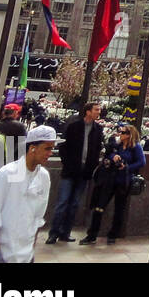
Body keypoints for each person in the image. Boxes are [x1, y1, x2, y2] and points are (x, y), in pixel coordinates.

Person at [0, 125, 57, 263]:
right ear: (32, 148)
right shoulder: (6, 173)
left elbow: (38, 217)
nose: (50, 153)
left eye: (52, 148)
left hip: (24, 253)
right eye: (47, 148)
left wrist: (31, 249)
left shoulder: (44, 177)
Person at [47, 102, 103, 244]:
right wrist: (68, 163)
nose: (98, 112)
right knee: (62, 202)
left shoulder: (98, 129)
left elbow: (97, 149)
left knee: (74, 204)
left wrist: (91, 166)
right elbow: (63, 147)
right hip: (70, 172)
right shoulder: (74, 127)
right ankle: (53, 233)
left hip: (84, 173)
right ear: (88, 112)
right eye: (96, 110)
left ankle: (65, 232)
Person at [80, 123, 145, 245]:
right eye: (120, 131)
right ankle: (92, 234)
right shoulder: (117, 144)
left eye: (124, 132)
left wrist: (126, 167)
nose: (121, 134)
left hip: (123, 181)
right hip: (109, 180)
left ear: (130, 135)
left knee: (119, 209)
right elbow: (107, 153)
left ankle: (113, 234)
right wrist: (113, 156)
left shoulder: (136, 147)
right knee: (99, 207)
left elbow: (141, 162)